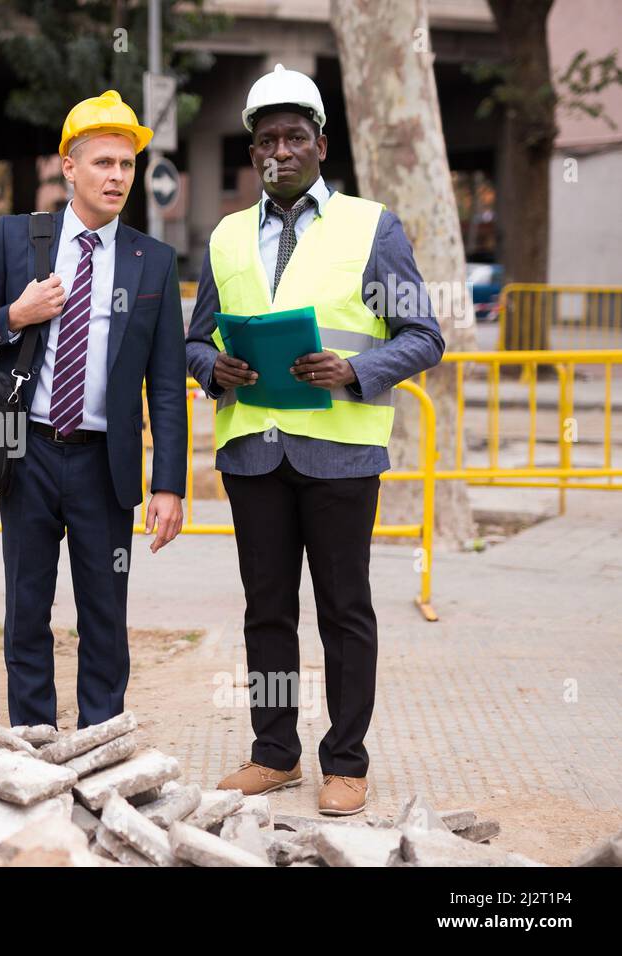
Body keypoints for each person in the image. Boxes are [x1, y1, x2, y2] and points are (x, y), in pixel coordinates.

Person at [184, 65, 446, 815]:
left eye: (295, 136)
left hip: (338, 456)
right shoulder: (228, 237)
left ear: (321, 145)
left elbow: (424, 335)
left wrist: (357, 370)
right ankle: (275, 754)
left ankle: (347, 760)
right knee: (266, 608)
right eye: (266, 139)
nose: (280, 150)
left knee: (344, 610)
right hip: (254, 454)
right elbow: (194, 341)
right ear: (254, 152)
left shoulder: (373, 226)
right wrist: (216, 368)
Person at [0, 90, 187, 729]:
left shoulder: (153, 262)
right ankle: (30, 746)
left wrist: (168, 483)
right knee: (26, 610)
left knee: (105, 615)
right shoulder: (18, 240)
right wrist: (15, 315)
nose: (117, 177)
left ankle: (100, 744)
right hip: (26, 454)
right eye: (104, 163)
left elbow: (166, 384)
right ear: (69, 167)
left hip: (103, 468)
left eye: (127, 165)